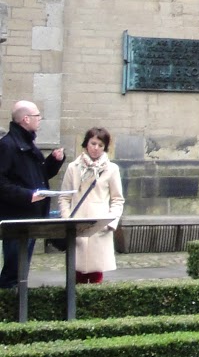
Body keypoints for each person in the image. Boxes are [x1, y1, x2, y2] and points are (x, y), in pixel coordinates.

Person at [0, 101, 65, 290]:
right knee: (13, 273)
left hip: (31, 216)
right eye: (37, 116)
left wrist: (53, 161)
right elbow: (2, 184)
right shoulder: (7, 145)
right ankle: (9, 302)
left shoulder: (28, 144)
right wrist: (28, 196)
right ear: (26, 119)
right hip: (16, 218)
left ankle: (16, 301)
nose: (40, 119)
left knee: (20, 272)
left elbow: (37, 177)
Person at [60, 127, 125, 285]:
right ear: (86, 144)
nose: (96, 148)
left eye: (100, 145)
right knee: (76, 273)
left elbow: (117, 199)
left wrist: (110, 222)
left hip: (99, 226)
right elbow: (64, 197)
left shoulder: (111, 169)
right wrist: (67, 220)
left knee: (96, 274)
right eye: (93, 143)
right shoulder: (73, 167)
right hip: (77, 225)